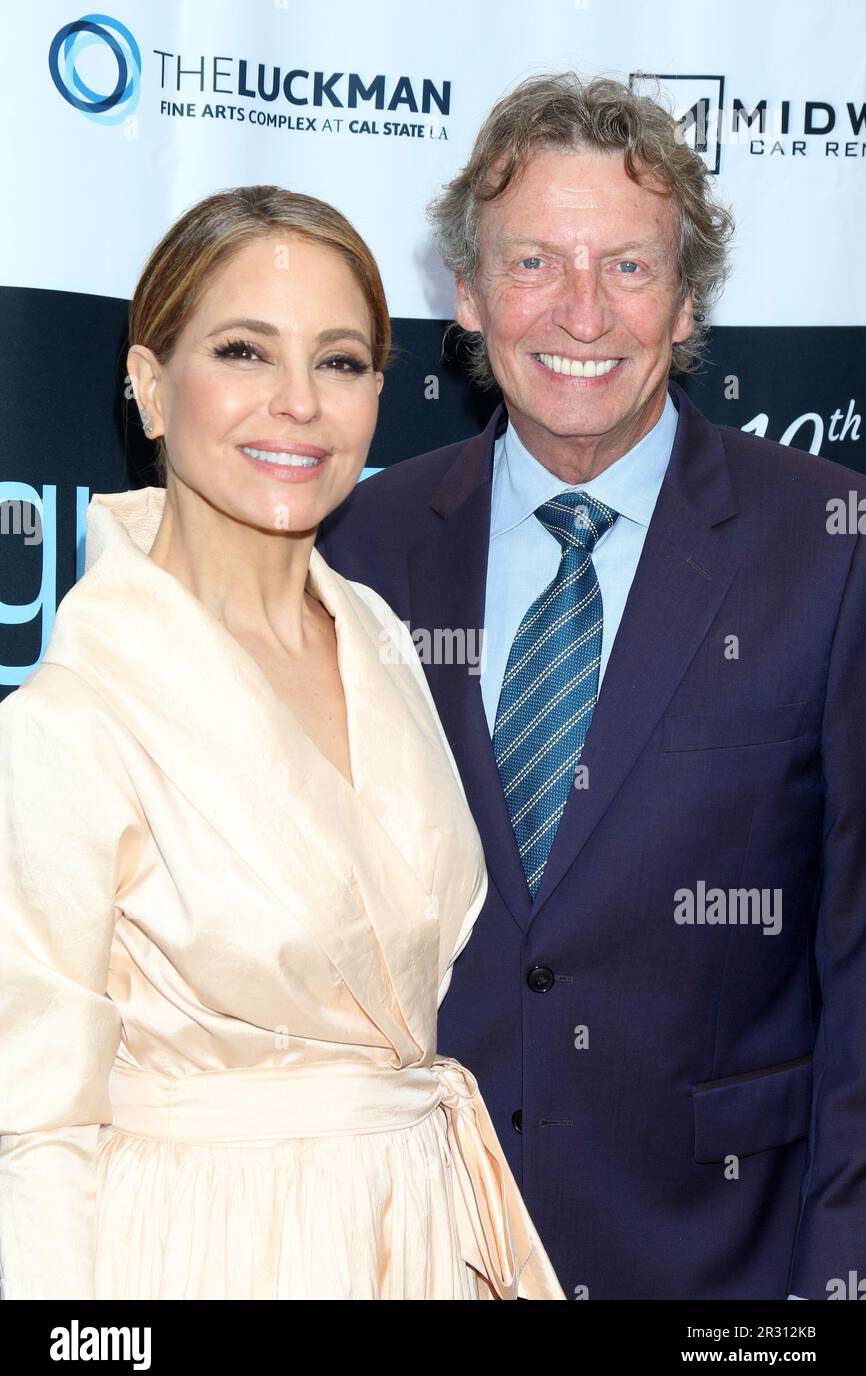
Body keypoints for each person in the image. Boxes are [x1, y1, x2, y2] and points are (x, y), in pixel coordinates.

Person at [316, 74, 866, 1299]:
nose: (579, 311)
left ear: (682, 304)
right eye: (531, 264)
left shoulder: (829, 548)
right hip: (410, 1251)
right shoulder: (359, 542)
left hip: (721, 1268)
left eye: (625, 266)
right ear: (464, 294)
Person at [0, 185, 565, 1301]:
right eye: (245, 352)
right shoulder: (69, 722)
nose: (298, 404)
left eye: (342, 361)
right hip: (204, 1256)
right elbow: (32, 1130)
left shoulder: (381, 638)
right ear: (151, 389)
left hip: (414, 1234)